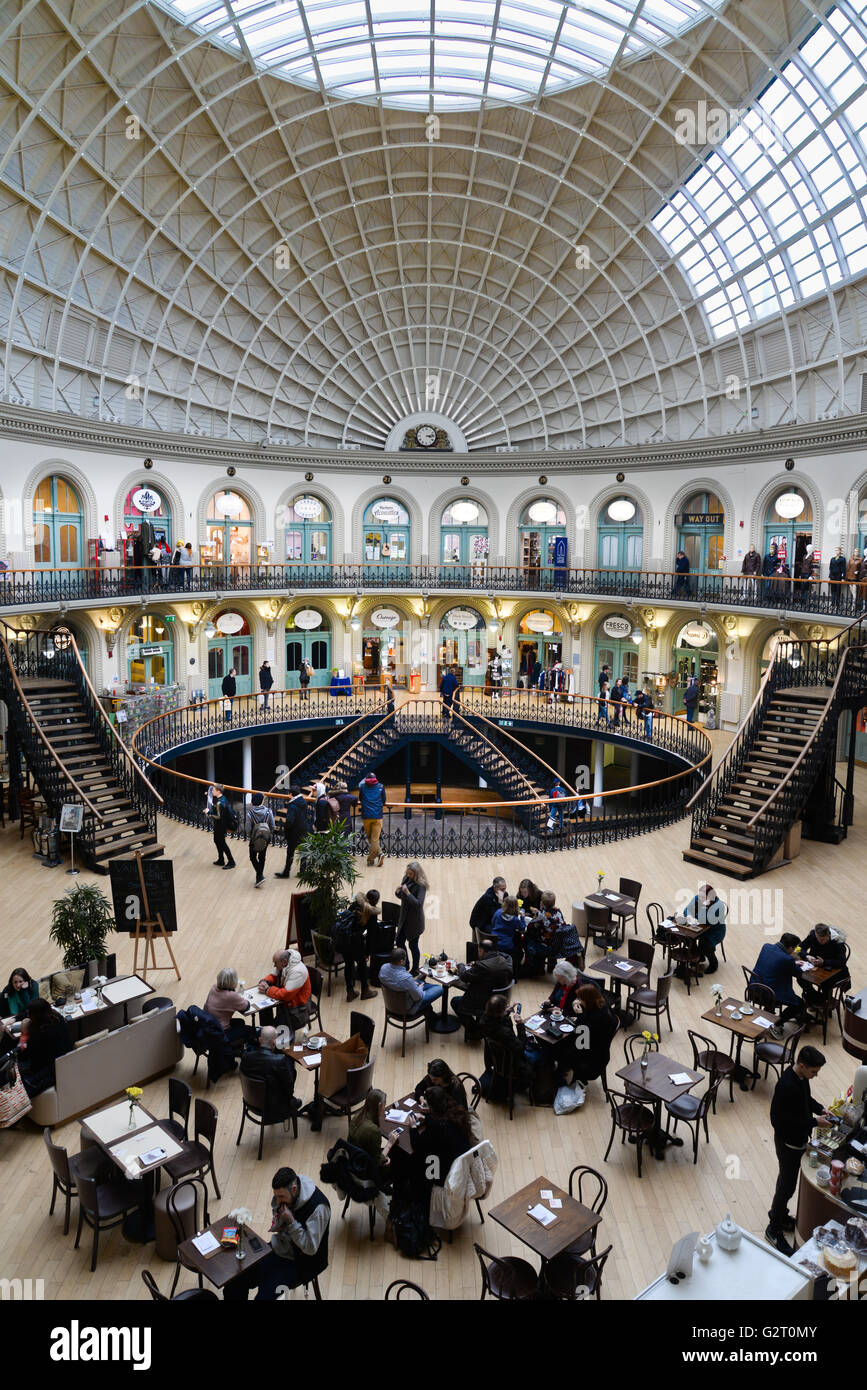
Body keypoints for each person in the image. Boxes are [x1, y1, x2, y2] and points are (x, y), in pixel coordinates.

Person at [224, 1166, 330, 1300]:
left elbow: (310, 1248)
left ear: (294, 1189)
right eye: (276, 1195)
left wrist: (291, 1222)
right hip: (279, 1248)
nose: (278, 1200)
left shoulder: (318, 1208)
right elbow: (278, 1217)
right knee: (234, 1283)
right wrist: (279, 1221)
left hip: (302, 1262)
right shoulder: (285, 1194)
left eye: (281, 1196)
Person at [766, 1046, 831, 1255]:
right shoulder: (787, 1085)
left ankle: (779, 1214)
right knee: (786, 1186)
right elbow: (782, 1121)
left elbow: (805, 1102)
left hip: (797, 1141)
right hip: (788, 1144)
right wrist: (814, 1121)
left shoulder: (801, 1079)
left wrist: (820, 1108)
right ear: (802, 1066)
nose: (816, 1075)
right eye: (814, 1071)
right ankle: (773, 1228)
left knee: (786, 1183)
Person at [239, 1026, 297, 1123]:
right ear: (275, 1042)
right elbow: (289, 1086)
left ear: (260, 1040)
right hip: (272, 1106)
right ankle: (290, 1104)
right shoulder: (279, 1060)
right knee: (291, 1068)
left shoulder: (246, 1057)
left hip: (250, 1101)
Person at [16, 998, 72, 1098]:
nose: (28, 1015)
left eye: (30, 1014)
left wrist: (24, 1034)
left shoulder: (38, 1034)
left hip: (48, 1072)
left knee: (18, 1065)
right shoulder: (58, 1018)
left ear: (35, 1016)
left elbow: (22, 1055)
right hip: (65, 1063)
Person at [450, 938, 513, 1027]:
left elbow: (464, 976)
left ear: (482, 951)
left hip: (481, 1002)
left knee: (455, 1001)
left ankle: (473, 1028)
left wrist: (460, 965)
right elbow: (498, 960)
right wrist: (477, 963)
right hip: (497, 1000)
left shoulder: (482, 967)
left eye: (479, 951)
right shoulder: (505, 960)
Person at [751, 933, 804, 1035]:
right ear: (790, 948)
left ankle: (768, 1013)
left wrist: (791, 962)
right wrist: (793, 961)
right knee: (799, 1003)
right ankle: (777, 1023)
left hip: (754, 987)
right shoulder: (787, 959)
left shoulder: (766, 946)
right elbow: (798, 973)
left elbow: (775, 962)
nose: (794, 951)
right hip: (769, 993)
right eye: (794, 948)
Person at [569, 984, 618, 1087]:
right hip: (600, 1049)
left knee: (565, 1052)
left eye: (581, 999)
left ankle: (571, 1077)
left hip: (593, 1058)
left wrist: (580, 1016)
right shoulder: (601, 1003)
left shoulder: (598, 1016)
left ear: (588, 999)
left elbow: (582, 1036)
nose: (580, 1001)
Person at [379, 948, 442, 1019]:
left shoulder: (383, 968)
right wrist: (419, 988)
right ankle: (432, 1017)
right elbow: (418, 997)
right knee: (439, 988)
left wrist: (412, 983)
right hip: (407, 1008)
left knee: (420, 982)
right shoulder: (405, 978)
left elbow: (396, 983)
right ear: (401, 961)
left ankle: (431, 1016)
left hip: (391, 1004)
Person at [342, 888, 380, 1002]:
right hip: (356, 942)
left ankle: (350, 992)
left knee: (348, 965)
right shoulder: (372, 913)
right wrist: (367, 952)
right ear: (376, 902)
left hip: (344, 939)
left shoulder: (355, 904)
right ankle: (365, 991)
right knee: (362, 966)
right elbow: (371, 936)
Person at [258, 948, 311, 1028]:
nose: (274, 965)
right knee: (264, 1009)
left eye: (275, 963)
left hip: (298, 1010)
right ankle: (267, 1033)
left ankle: (271, 1034)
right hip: (286, 1005)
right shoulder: (285, 962)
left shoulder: (298, 972)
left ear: (285, 961)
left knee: (279, 1028)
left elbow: (286, 995)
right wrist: (265, 981)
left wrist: (267, 989)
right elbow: (274, 974)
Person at [797, 923, 850, 1004]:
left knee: (825, 983)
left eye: (823, 939)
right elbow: (799, 948)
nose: (820, 941)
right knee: (800, 978)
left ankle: (823, 1002)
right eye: (818, 938)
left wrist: (824, 962)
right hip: (816, 966)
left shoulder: (838, 943)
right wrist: (807, 956)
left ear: (828, 935)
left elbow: (841, 962)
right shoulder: (813, 936)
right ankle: (817, 999)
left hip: (834, 969)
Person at [683, 883, 727, 973]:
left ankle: (713, 963)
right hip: (700, 928)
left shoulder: (719, 906)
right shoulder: (698, 898)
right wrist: (689, 916)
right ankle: (699, 956)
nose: (700, 898)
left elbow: (709, 921)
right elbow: (687, 910)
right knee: (687, 938)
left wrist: (697, 914)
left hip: (715, 931)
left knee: (704, 945)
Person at [395, 861, 428, 973]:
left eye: (411, 874)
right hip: (404, 918)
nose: (408, 875)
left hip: (414, 921)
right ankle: (406, 964)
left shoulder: (421, 886)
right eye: (407, 873)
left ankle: (415, 969)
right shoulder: (406, 878)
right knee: (399, 941)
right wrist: (398, 891)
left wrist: (408, 893)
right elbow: (401, 896)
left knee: (413, 946)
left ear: (416, 874)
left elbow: (419, 904)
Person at [205, 967, 252, 1042]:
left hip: (210, 1027)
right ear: (233, 981)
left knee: (240, 1022)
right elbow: (246, 1006)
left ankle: (236, 1049)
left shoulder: (214, 988)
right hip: (220, 1032)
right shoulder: (231, 996)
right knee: (250, 1030)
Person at [274, 782, 310, 879]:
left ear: (291, 794)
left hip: (294, 831)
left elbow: (290, 820)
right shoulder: (303, 802)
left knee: (290, 852)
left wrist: (286, 828)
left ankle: (286, 872)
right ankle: (303, 872)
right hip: (303, 829)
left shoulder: (292, 805)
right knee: (303, 852)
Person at [490, 895, 525, 977]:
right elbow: (522, 928)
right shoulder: (515, 920)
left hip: (494, 942)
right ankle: (515, 972)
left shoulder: (498, 912)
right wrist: (522, 917)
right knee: (519, 951)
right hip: (507, 946)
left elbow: (492, 922)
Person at [245, 791, 275, 888]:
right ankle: (259, 876)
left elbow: (248, 828)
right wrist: (268, 834)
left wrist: (251, 837)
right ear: (262, 801)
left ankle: (259, 876)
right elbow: (273, 826)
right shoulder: (268, 811)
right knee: (262, 857)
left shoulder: (250, 813)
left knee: (252, 857)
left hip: (254, 839)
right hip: (265, 838)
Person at [359, 772, 386, 867]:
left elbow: (361, 798)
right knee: (374, 839)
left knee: (370, 837)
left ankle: (370, 860)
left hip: (366, 815)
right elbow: (384, 800)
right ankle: (379, 853)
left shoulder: (362, 787)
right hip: (378, 816)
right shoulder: (381, 786)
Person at [208, 783, 236, 869]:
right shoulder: (223, 798)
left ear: (218, 791)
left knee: (222, 843)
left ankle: (231, 861)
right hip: (220, 825)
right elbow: (219, 810)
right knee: (217, 840)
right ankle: (221, 859)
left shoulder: (220, 802)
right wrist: (213, 807)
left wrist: (208, 813)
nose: (212, 792)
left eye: (213, 790)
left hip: (220, 825)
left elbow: (218, 816)